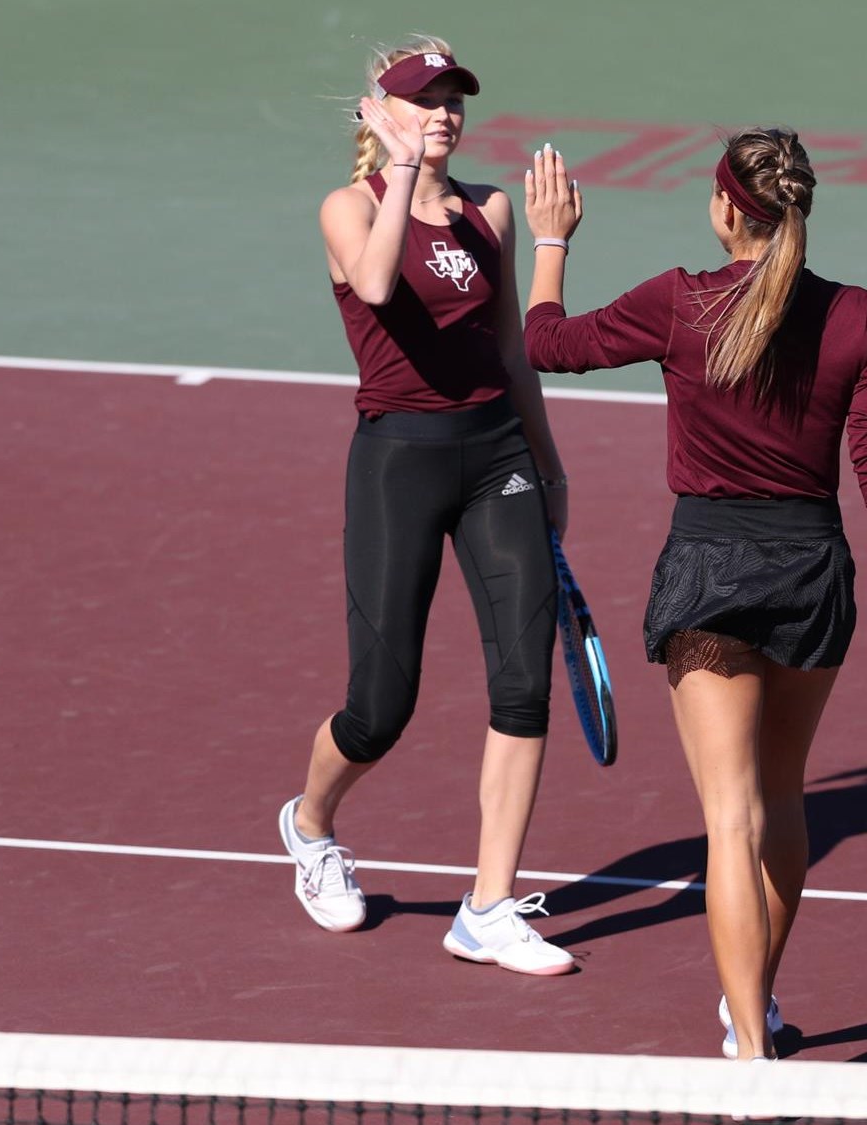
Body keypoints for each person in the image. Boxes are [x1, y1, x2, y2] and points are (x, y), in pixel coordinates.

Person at [521, 129, 867, 1056]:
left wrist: (550, 238)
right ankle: (751, 1005)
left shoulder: (678, 303)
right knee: (781, 802)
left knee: (729, 817)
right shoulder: (856, 315)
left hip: (709, 575)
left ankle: (750, 1049)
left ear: (726, 209)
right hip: (813, 579)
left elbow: (545, 344)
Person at [277, 36, 573, 977]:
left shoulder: (490, 212)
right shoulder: (346, 207)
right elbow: (371, 281)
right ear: (383, 112)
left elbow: (511, 352)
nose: (444, 111)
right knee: (380, 706)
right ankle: (312, 823)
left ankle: (487, 907)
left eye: (453, 98)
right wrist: (400, 169)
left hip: (497, 459)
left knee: (526, 684)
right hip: (399, 460)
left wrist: (550, 463)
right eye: (423, 98)